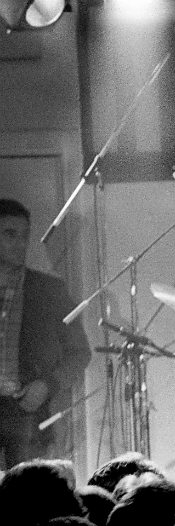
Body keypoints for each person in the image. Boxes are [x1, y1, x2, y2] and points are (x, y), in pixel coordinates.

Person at [0, 198, 91, 469]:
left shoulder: (49, 290)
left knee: (30, 497)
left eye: (24, 236)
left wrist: (47, 385)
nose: (20, 244)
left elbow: (80, 353)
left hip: (26, 408)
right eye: (9, 234)